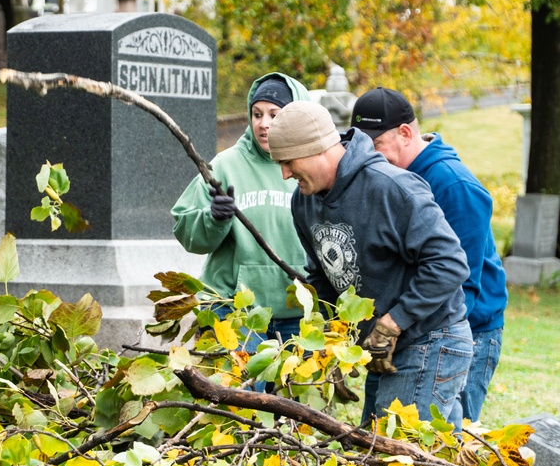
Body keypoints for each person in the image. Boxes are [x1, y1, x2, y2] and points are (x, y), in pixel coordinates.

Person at [267, 100, 472, 429]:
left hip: (431, 338)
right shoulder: (303, 202)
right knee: (424, 459)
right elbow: (322, 276)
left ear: (318, 149)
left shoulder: (391, 188)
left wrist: (392, 323)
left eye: (288, 162)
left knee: (394, 458)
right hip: (379, 350)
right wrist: (330, 340)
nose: (285, 173)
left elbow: (449, 263)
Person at [350, 87, 507, 422]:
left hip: (467, 330)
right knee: (380, 433)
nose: (366, 156)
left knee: (446, 441)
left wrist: (409, 330)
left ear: (405, 133)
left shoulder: (453, 185)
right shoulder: (388, 178)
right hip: (410, 326)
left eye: (375, 145)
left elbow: (462, 280)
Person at [172, 73, 310, 353]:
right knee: (237, 396)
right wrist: (214, 219)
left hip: (298, 316)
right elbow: (186, 232)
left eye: (274, 114)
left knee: (294, 397)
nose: (264, 123)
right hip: (233, 310)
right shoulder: (226, 165)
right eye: (257, 114)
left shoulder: (312, 167)